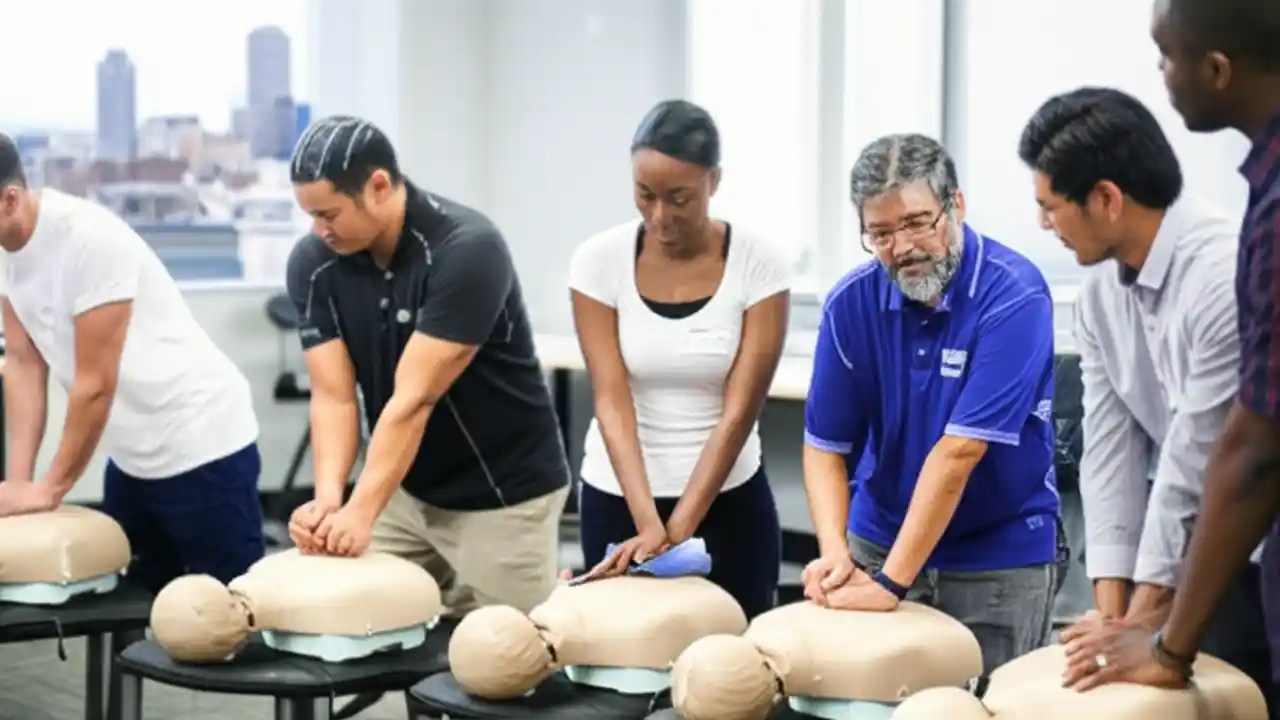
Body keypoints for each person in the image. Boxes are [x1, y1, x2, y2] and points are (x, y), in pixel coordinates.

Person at [1019, 86, 1276, 705]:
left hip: (1253, 533)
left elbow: (1196, 458)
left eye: (1050, 206)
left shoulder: (1219, 274)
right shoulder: (1100, 292)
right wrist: (1115, 617)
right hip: (1198, 528)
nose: (1042, 224)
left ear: (1106, 199)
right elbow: (1109, 453)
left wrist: (1147, 620)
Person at [284, 116, 571, 618]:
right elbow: (332, 395)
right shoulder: (315, 263)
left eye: (329, 214)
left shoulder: (466, 250)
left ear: (377, 187)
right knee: (373, 623)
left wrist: (361, 512)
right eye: (310, 215)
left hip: (501, 493)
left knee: (514, 658)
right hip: (405, 488)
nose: (319, 230)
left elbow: (413, 400)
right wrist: (331, 501)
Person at [800, 132, 1065, 674]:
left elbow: (958, 454)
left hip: (995, 562)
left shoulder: (1013, 295)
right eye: (880, 233)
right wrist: (834, 554)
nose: (902, 248)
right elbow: (824, 446)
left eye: (919, 222)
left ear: (957, 204)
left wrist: (892, 584)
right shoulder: (850, 304)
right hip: (876, 544)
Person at [0, 134, 264, 595]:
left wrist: (50, 490)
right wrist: (20, 488)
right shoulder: (6, 249)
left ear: (9, 200)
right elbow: (23, 362)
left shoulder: (88, 240)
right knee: (135, 602)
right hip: (131, 455)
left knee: (231, 614)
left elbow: (95, 384)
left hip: (201, 441)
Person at [567, 99, 790, 619]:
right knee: (623, 664)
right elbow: (611, 399)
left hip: (727, 501)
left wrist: (679, 529)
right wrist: (647, 524)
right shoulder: (598, 261)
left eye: (679, 198)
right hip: (619, 496)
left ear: (713, 181)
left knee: (732, 674)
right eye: (644, 195)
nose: (660, 216)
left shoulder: (759, 262)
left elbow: (739, 412)